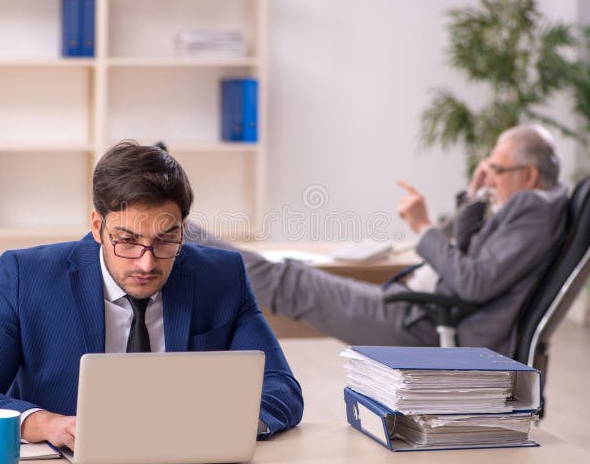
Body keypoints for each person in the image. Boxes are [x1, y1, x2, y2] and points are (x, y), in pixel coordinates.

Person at [0, 142, 304, 449]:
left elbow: (281, 388)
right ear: (97, 225)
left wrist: (223, 427)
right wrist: (45, 425)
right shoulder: (26, 276)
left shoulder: (221, 277)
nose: (146, 263)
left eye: (165, 240)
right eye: (127, 240)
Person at [185, 125, 568, 356]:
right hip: (424, 308)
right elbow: (470, 256)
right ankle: (186, 238)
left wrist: (422, 226)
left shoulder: (533, 209)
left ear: (529, 175)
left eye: (498, 170)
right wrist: (474, 195)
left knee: (291, 281)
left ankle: (182, 235)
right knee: (293, 275)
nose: (492, 176)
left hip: (426, 324)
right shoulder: (535, 206)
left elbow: (473, 282)